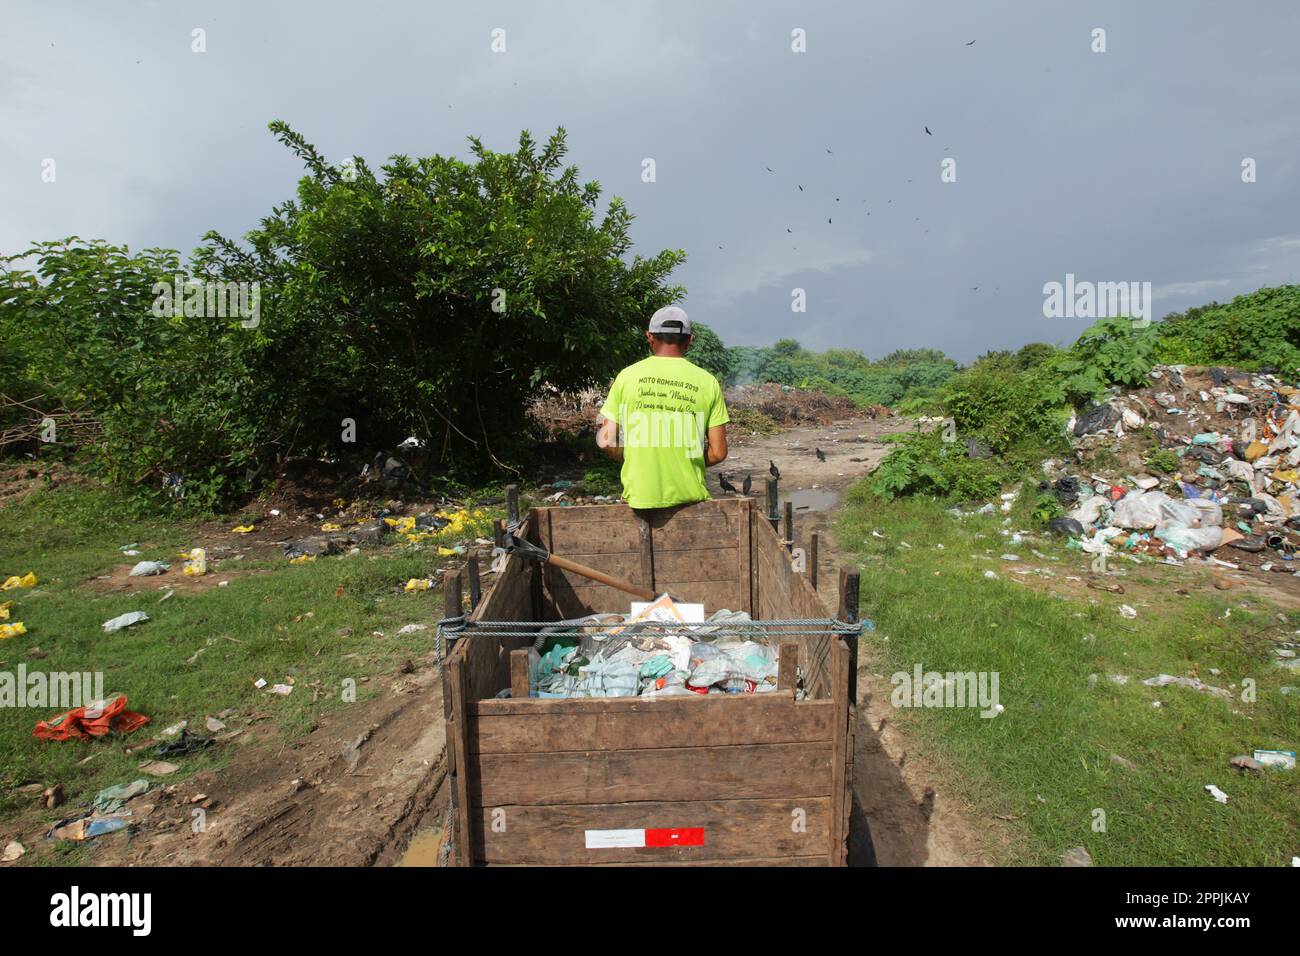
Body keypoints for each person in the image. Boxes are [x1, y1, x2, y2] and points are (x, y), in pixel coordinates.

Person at [595, 306, 728, 510]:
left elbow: (605, 441)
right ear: (690, 340)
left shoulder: (626, 377)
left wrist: (634, 456)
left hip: (639, 498)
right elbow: (718, 452)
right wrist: (684, 461)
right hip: (690, 498)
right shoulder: (708, 382)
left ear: (650, 337)